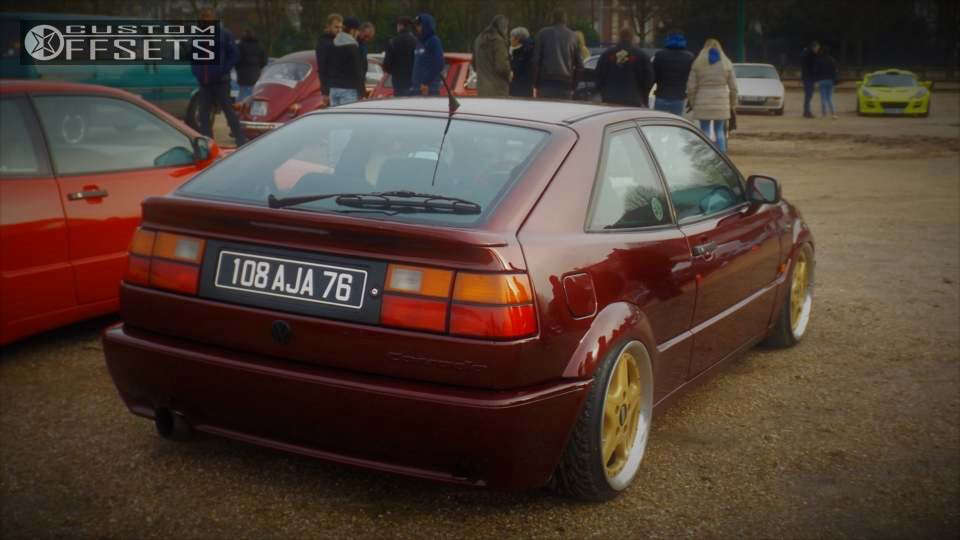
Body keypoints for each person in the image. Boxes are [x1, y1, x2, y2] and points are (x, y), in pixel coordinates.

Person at [191, 8, 245, 145]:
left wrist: (223, 69)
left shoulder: (224, 34)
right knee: (203, 114)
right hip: (204, 83)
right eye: (204, 18)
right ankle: (208, 143)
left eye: (208, 18)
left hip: (221, 82)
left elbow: (235, 54)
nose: (206, 20)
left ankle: (240, 140)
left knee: (228, 111)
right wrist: (196, 71)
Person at [686, 38, 737, 153]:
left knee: (705, 130)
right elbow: (734, 88)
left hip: (702, 101)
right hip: (722, 102)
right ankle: (722, 154)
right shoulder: (727, 64)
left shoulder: (698, 63)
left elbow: (690, 87)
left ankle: (707, 154)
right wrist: (732, 104)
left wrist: (693, 103)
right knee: (719, 131)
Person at [595, 27, 653, 107]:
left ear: (619, 37)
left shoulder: (607, 54)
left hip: (610, 98)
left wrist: (602, 91)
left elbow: (598, 75)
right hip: (633, 98)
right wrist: (643, 95)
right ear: (632, 38)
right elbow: (649, 78)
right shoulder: (641, 55)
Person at [531, 9, 583, 100]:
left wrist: (535, 83)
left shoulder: (542, 34)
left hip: (546, 83)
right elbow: (580, 65)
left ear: (552, 19)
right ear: (565, 20)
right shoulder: (573, 36)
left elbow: (536, 61)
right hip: (566, 84)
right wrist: (574, 85)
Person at [325, 16, 365, 106]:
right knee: (348, 115)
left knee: (336, 115)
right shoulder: (352, 47)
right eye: (357, 31)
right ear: (352, 31)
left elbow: (327, 67)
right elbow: (357, 71)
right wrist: (362, 92)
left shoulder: (333, 44)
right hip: (348, 89)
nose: (358, 34)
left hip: (333, 89)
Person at [652, 30, 694, 116]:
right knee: (676, 121)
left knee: (658, 121)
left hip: (661, 94)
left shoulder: (659, 55)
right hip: (678, 96)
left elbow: (652, 75)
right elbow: (691, 79)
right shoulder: (689, 57)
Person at [473, 14, 511, 97]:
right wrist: (509, 74)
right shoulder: (498, 41)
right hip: (497, 89)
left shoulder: (478, 39)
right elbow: (502, 66)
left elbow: (474, 65)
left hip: (481, 88)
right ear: (503, 27)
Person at [383, 16, 418, 96]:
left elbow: (387, 65)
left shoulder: (392, 42)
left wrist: (394, 71)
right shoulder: (417, 42)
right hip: (414, 81)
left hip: (398, 81)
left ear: (401, 26)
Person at [411, 13, 444, 95]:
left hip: (429, 88)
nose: (417, 27)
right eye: (416, 25)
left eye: (419, 25)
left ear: (426, 25)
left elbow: (439, 63)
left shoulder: (434, 41)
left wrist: (426, 82)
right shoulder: (419, 42)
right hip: (417, 88)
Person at [315, 13, 343, 98]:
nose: (339, 30)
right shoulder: (324, 43)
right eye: (336, 27)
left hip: (341, 86)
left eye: (340, 27)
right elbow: (322, 68)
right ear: (328, 26)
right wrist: (325, 92)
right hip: (331, 88)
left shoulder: (339, 41)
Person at [236, 28, 266, 101]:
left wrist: (238, 68)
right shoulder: (259, 46)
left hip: (243, 74)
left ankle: (240, 107)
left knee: (242, 94)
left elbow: (236, 59)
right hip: (255, 73)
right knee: (254, 94)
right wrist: (258, 67)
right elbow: (264, 60)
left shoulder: (240, 45)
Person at [509, 27, 535, 97]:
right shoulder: (516, 51)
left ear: (517, 39)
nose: (510, 39)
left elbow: (516, 68)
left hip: (522, 88)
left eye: (511, 37)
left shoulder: (524, 53)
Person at [813, 46, 838, 119]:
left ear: (822, 52)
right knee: (830, 98)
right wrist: (834, 81)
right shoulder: (832, 60)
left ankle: (824, 114)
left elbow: (816, 71)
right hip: (830, 80)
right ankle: (833, 114)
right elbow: (835, 71)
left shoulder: (819, 60)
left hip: (822, 80)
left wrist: (816, 80)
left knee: (823, 98)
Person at [800, 41, 820, 118]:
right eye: (817, 48)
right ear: (813, 47)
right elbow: (812, 68)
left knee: (808, 95)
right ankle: (807, 112)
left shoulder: (806, 54)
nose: (818, 50)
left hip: (807, 77)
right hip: (809, 78)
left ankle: (806, 111)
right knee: (808, 95)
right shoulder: (810, 55)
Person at [358, 21, 376, 91]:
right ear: (360, 31)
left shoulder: (363, 44)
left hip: (360, 79)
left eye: (369, 38)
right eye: (366, 36)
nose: (367, 39)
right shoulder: (354, 44)